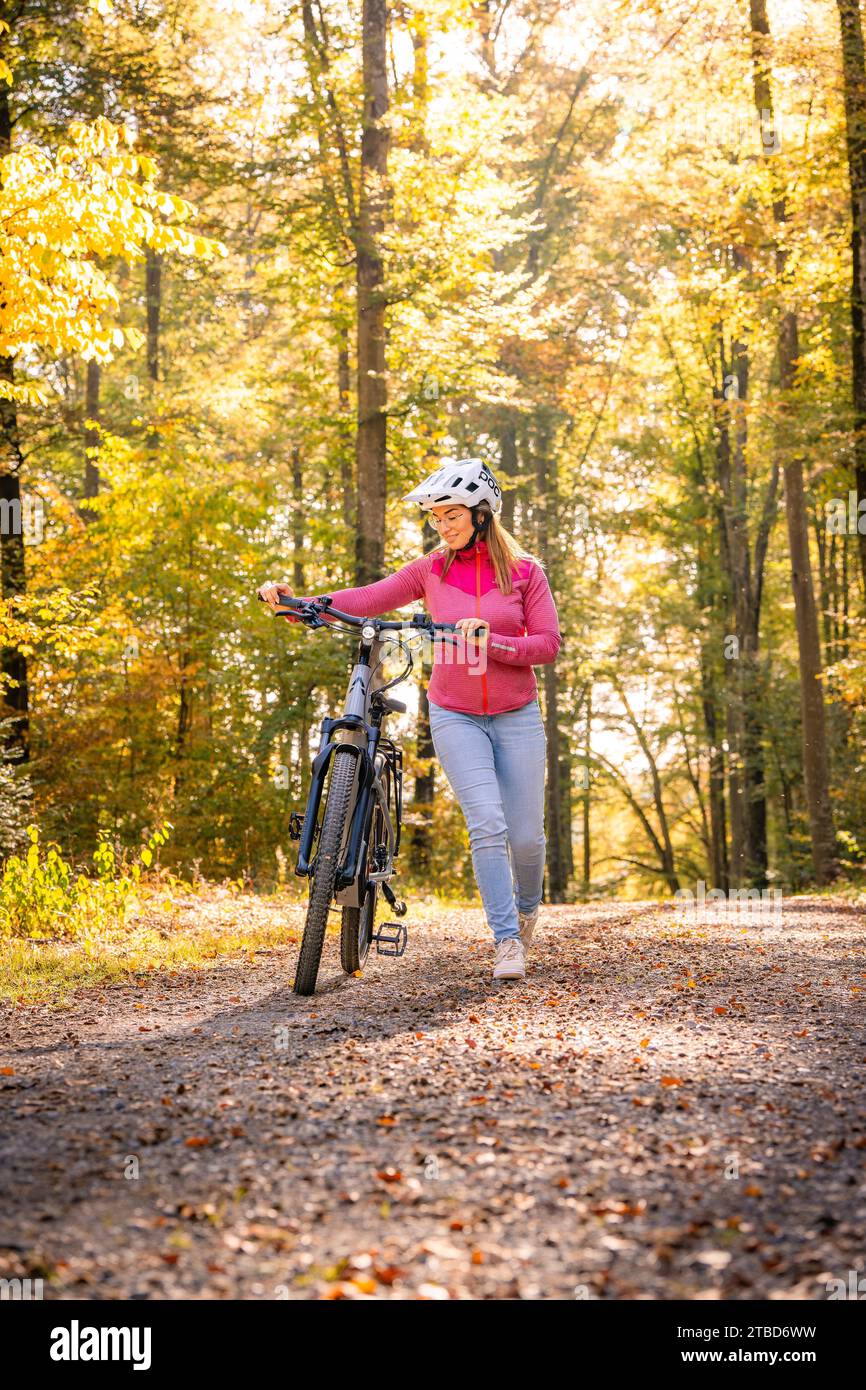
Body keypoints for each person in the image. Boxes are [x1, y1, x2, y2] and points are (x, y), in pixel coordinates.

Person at [258, 458, 562, 981]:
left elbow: (548, 644)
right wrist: (301, 603)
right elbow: (370, 598)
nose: (442, 526)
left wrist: (496, 643)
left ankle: (528, 908)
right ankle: (506, 939)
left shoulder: (525, 571)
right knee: (487, 824)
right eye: (435, 518)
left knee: (528, 837)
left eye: (451, 515)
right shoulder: (432, 569)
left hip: (517, 715)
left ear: (483, 514)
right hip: (455, 714)